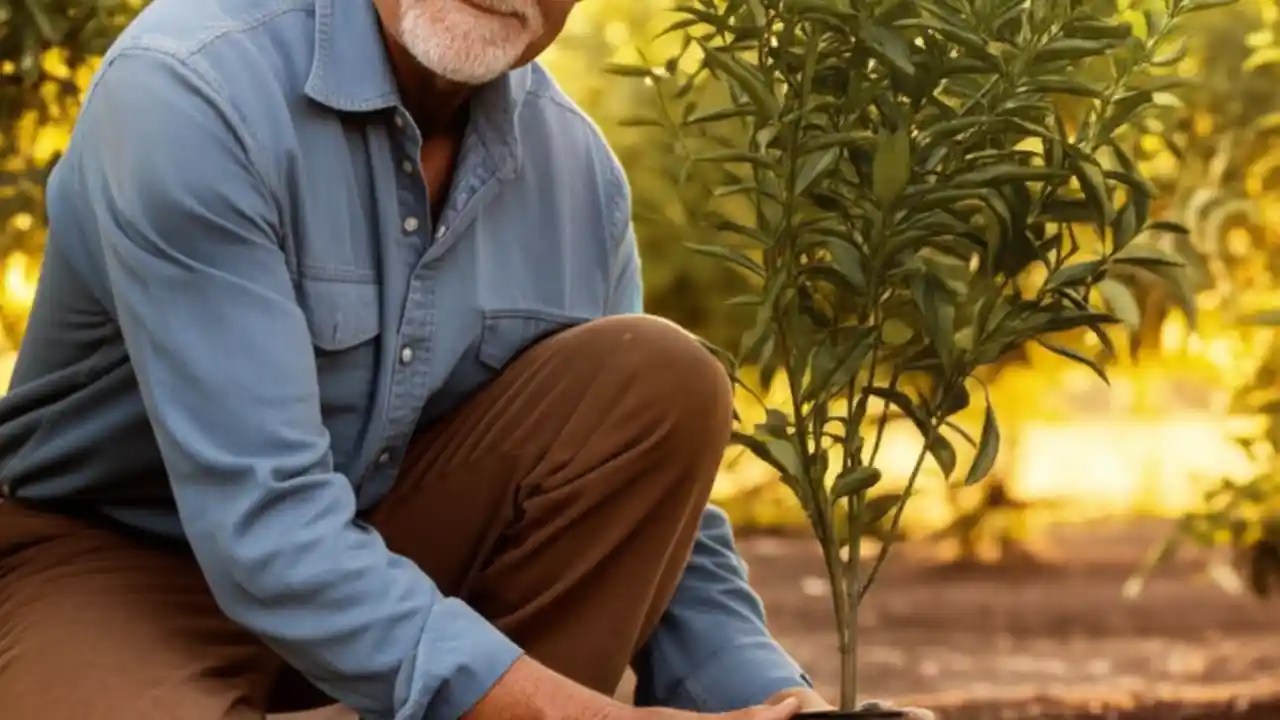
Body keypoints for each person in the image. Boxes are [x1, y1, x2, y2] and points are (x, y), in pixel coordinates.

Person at [0, 1, 933, 719]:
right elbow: (265, 523)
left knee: (659, 381)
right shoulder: (191, 87)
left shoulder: (576, 173)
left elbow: (669, 520)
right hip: (113, 556)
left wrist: (773, 700)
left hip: (388, 542)